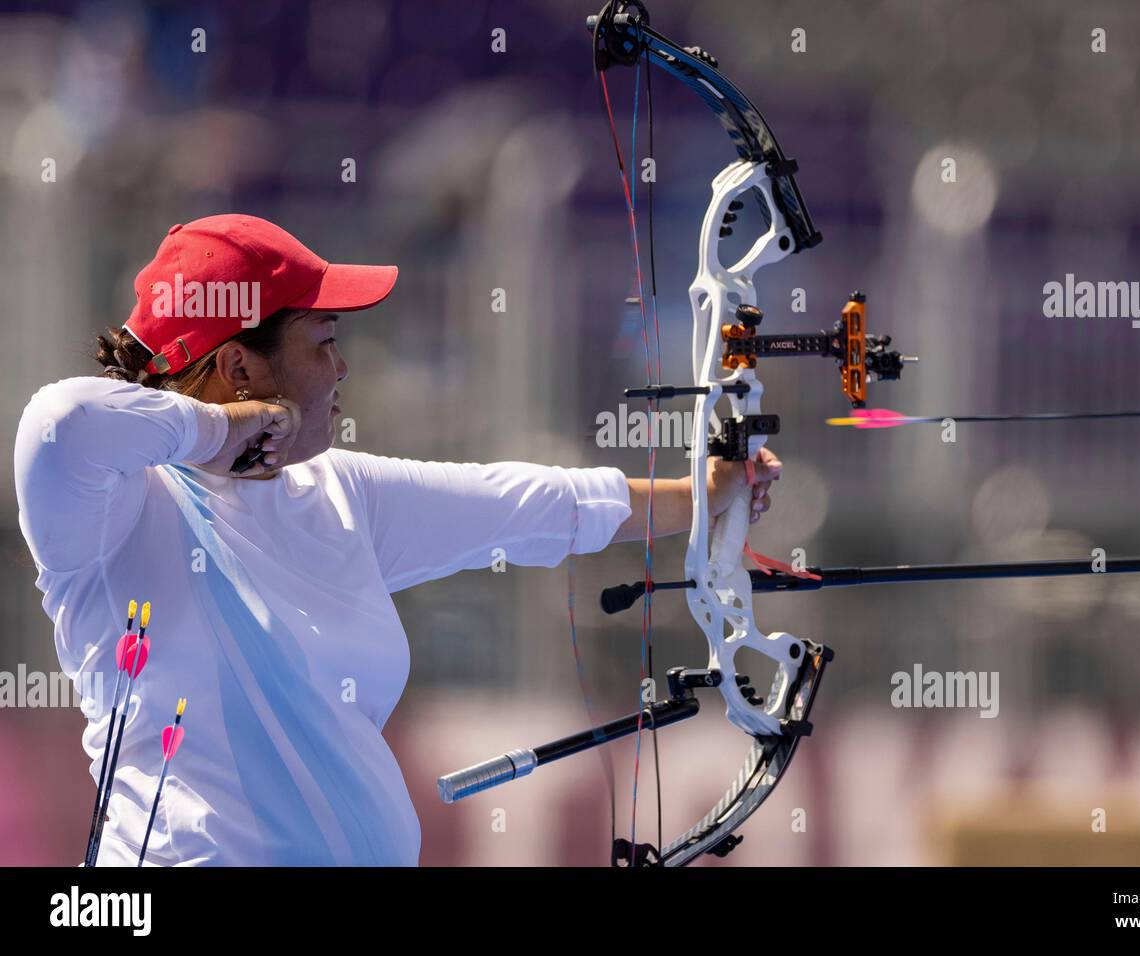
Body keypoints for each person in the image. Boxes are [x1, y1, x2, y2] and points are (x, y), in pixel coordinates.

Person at [12, 213, 780, 865]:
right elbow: (64, 420)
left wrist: (703, 496)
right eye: (322, 343)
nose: (343, 367)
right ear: (240, 368)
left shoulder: (337, 492)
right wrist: (233, 432)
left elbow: (528, 504)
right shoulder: (120, 507)